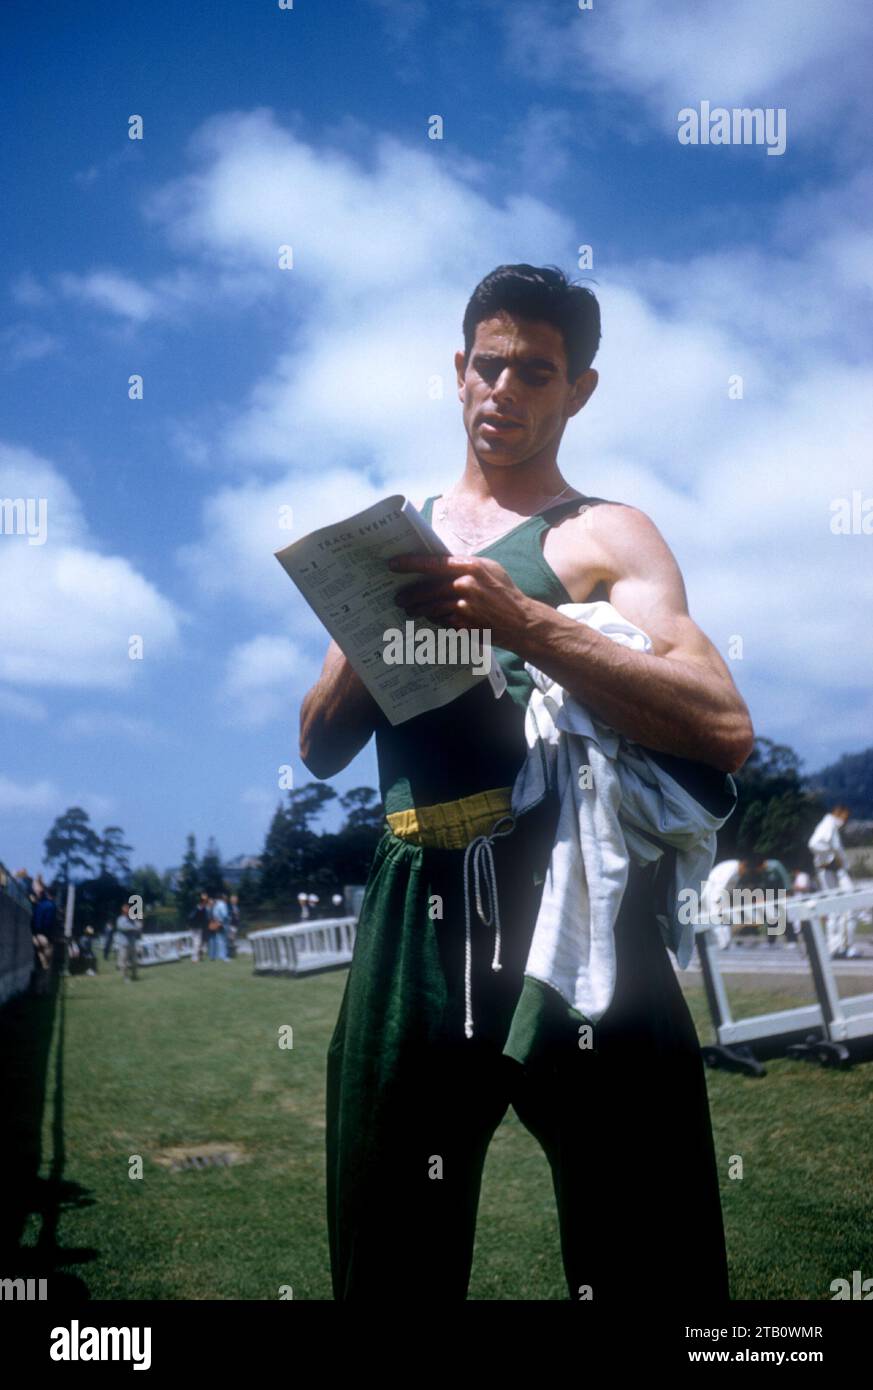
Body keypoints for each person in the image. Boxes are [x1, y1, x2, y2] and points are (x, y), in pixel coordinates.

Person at [300, 264, 754, 1303]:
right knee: (388, 1231)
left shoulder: (606, 533)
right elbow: (320, 748)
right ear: (459, 374)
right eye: (490, 367)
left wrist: (527, 625)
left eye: (536, 373)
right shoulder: (396, 532)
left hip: (574, 890)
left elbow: (723, 725)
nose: (505, 390)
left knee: (649, 1227)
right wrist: (365, 631)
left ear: (578, 390)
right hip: (417, 895)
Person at [808, 805, 857, 958]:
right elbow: (815, 844)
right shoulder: (830, 824)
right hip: (832, 870)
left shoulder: (826, 825)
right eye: (845, 817)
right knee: (850, 906)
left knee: (834, 910)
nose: (846, 821)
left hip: (827, 870)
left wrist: (829, 857)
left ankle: (833, 947)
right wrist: (837, 859)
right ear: (839, 814)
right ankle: (844, 946)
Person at [117, 902, 141, 981]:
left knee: (134, 961)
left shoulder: (133, 920)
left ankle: (134, 975)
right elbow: (124, 927)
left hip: (132, 944)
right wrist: (135, 927)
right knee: (124, 962)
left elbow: (139, 927)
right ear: (124, 911)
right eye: (127, 910)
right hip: (124, 945)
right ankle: (125, 977)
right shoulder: (120, 919)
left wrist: (137, 922)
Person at [188, 892, 210, 963]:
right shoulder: (199, 908)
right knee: (197, 942)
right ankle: (194, 958)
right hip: (196, 927)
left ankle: (197, 957)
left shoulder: (201, 908)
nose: (205, 902)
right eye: (205, 900)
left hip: (198, 927)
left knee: (198, 943)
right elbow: (194, 917)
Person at [207, 891, 230, 962]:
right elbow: (225, 915)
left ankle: (219, 956)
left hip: (216, 923)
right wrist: (229, 918)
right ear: (222, 897)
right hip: (223, 924)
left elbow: (213, 915)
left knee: (219, 940)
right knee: (224, 941)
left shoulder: (215, 905)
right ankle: (224, 957)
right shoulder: (222, 904)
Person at [227, 894, 241, 958]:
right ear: (231, 900)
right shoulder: (229, 907)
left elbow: (238, 915)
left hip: (235, 925)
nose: (235, 900)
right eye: (233, 899)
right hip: (231, 925)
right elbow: (229, 916)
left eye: (236, 899)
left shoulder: (237, 907)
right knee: (231, 938)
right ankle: (230, 954)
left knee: (233, 939)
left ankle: (232, 953)